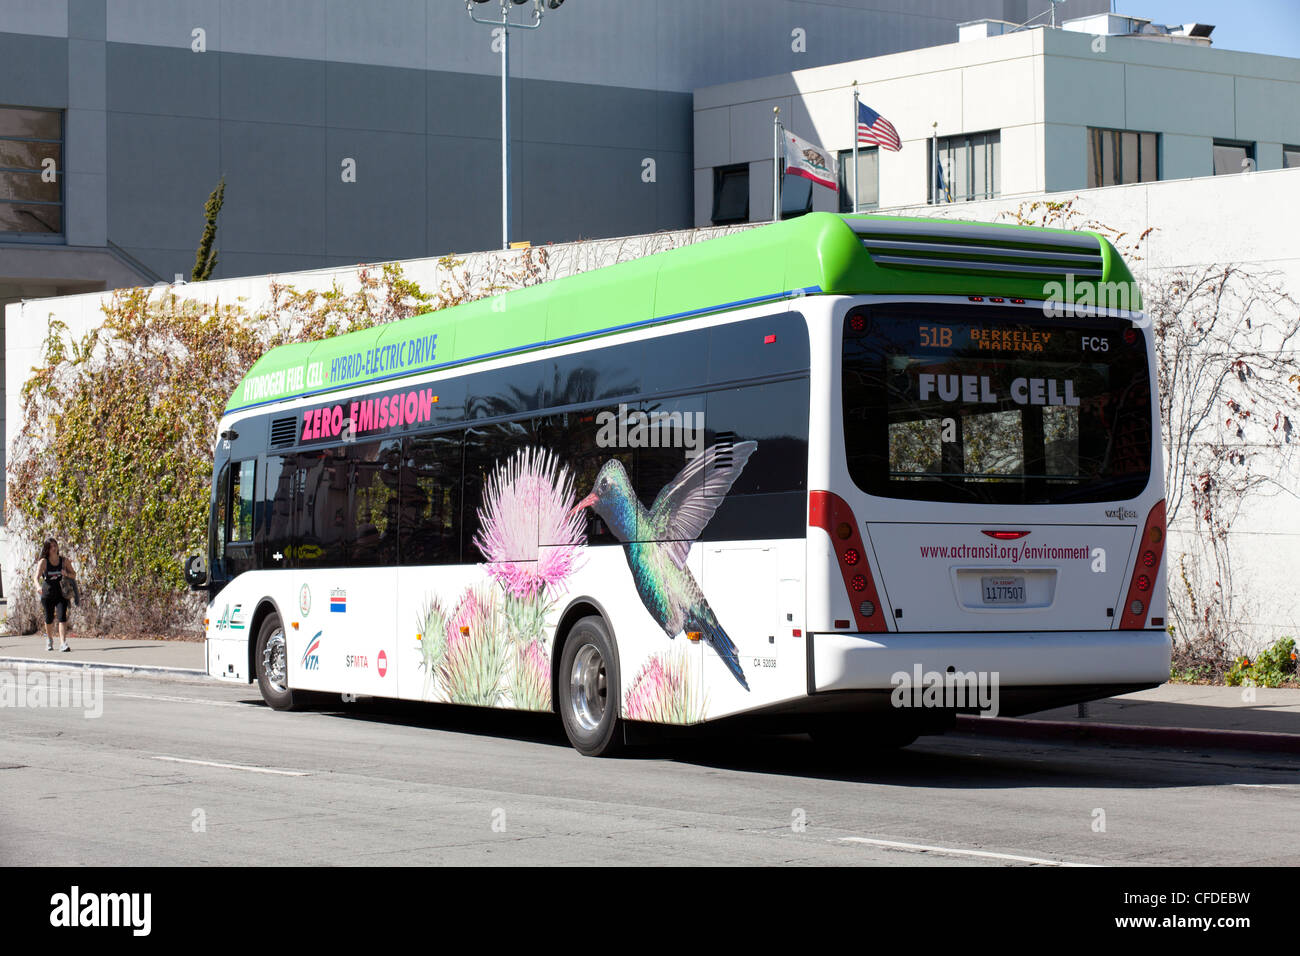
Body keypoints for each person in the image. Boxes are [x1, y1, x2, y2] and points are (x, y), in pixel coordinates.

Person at [35, 538, 76, 652]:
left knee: (62, 617)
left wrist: (66, 573)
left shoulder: (64, 561)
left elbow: (74, 574)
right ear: (47, 549)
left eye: (55, 546)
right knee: (49, 619)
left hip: (61, 593)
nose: (54, 548)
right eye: (51, 546)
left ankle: (63, 643)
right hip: (47, 593)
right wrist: (38, 586)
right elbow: (36, 577)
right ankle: (49, 639)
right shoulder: (44, 561)